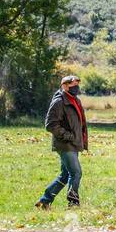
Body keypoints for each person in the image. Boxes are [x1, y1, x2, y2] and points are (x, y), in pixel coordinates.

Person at [36, 74, 89, 209]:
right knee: (76, 173)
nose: (76, 88)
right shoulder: (59, 102)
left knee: (65, 175)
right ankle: (73, 203)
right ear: (64, 86)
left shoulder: (75, 100)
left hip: (73, 143)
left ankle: (45, 201)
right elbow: (50, 125)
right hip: (65, 144)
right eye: (73, 86)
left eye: (77, 86)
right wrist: (68, 136)